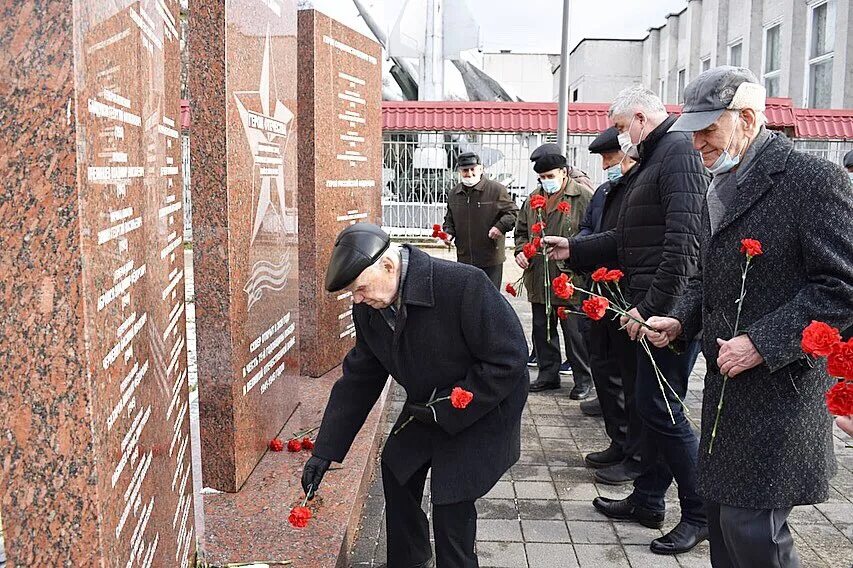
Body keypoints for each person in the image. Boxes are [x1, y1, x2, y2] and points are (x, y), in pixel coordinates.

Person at [639, 66, 853, 568]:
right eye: (692, 131)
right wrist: (682, 321)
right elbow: (711, 276)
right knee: (722, 527)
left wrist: (761, 341)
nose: (697, 144)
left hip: (781, 393)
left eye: (708, 129)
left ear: (749, 119)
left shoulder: (811, 180)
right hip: (727, 390)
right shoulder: (724, 180)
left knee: (752, 531)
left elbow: (843, 289)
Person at [302, 223, 529, 568]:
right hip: (429, 406)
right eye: (351, 293)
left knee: (451, 504)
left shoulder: (463, 284)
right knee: (397, 466)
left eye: (359, 288)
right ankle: (409, 558)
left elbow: (509, 358)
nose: (357, 299)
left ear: (388, 266)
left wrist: (454, 404)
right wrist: (325, 450)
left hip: (481, 406)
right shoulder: (370, 308)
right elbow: (361, 376)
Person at [545, 85, 710, 555]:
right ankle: (649, 500)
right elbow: (628, 236)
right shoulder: (654, 160)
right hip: (645, 308)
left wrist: (655, 307)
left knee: (661, 410)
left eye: (621, 127)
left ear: (641, 117)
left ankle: (699, 514)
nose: (621, 137)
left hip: (666, 317)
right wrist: (575, 249)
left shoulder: (676, 151)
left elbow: (684, 244)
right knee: (649, 410)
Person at [571, 127, 645, 486]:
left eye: (610, 159)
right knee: (602, 366)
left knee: (630, 378)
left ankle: (635, 452)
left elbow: (626, 241)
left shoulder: (640, 190)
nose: (605, 167)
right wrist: (577, 248)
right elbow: (589, 229)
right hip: (598, 293)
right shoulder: (604, 192)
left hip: (625, 296)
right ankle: (618, 440)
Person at [515, 152, 594, 399]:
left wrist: (574, 250)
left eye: (550, 176)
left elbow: (593, 233)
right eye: (541, 177)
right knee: (542, 329)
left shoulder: (583, 197)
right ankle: (548, 374)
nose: (546, 181)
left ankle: (584, 379)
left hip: (570, 278)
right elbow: (521, 231)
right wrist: (520, 251)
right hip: (539, 275)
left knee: (575, 333)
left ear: (563, 172)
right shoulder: (533, 199)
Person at [442, 152, 518, 288]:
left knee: (490, 300)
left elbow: (513, 213)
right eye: (465, 170)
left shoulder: (496, 190)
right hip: (464, 258)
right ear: (459, 171)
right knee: (468, 299)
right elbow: (449, 219)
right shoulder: (454, 193)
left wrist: (500, 227)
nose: (469, 174)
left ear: (481, 169)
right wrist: (448, 233)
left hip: (490, 258)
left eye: (473, 169)